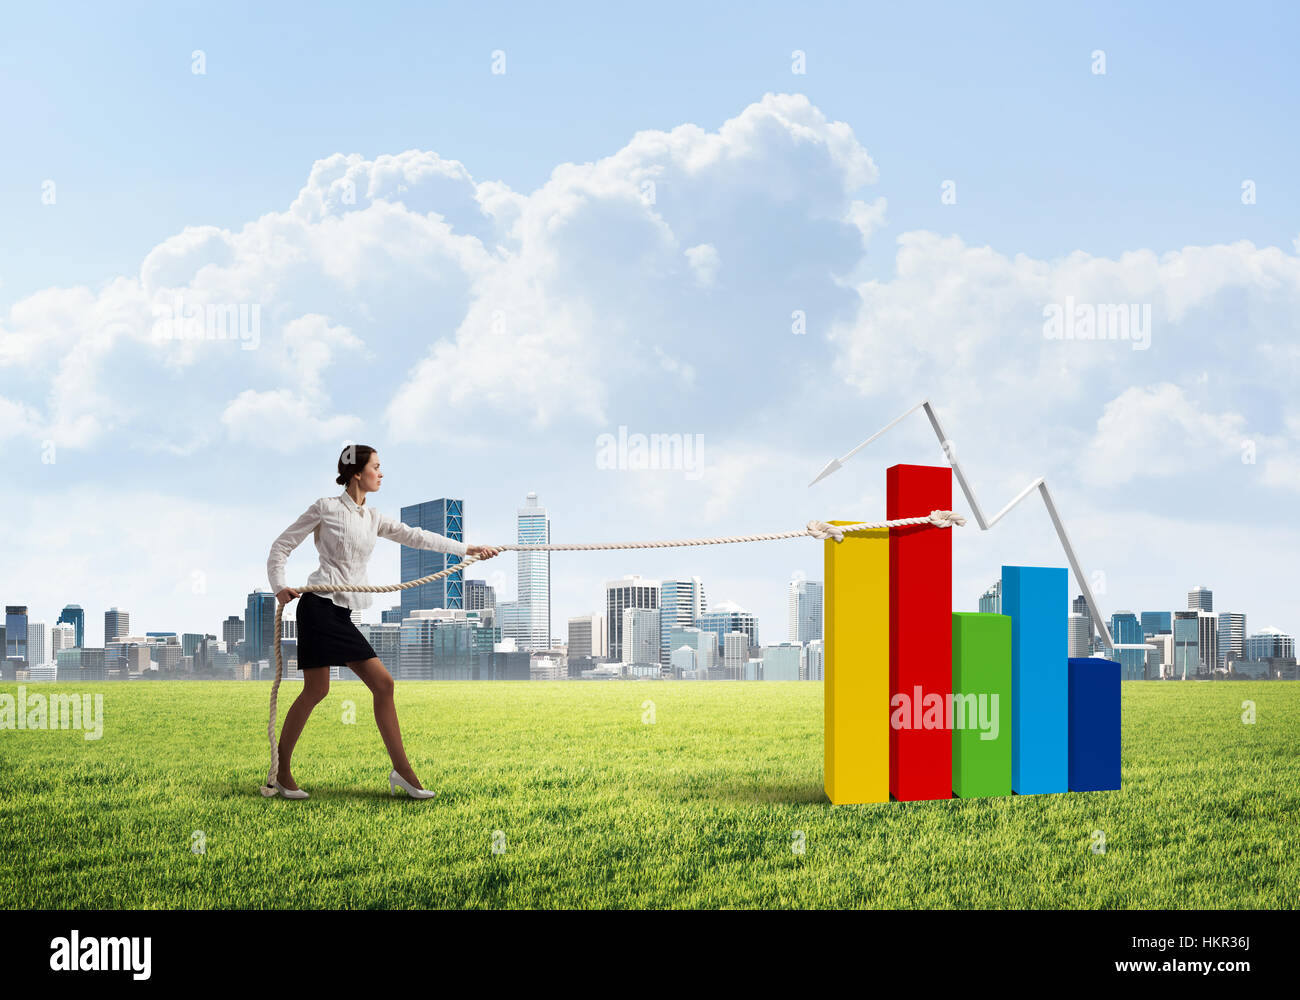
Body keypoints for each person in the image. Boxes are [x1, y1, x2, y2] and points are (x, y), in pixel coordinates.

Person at [266, 444, 501, 799]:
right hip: (317, 606)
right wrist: (279, 586)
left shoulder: (373, 517)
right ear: (357, 472)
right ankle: (282, 774)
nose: (381, 472)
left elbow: (415, 536)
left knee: (381, 685)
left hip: (342, 612)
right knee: (320, 690)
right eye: (376, 467)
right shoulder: (325, 508)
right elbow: (281, 545)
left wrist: (466, 549)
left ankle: (401, 773)